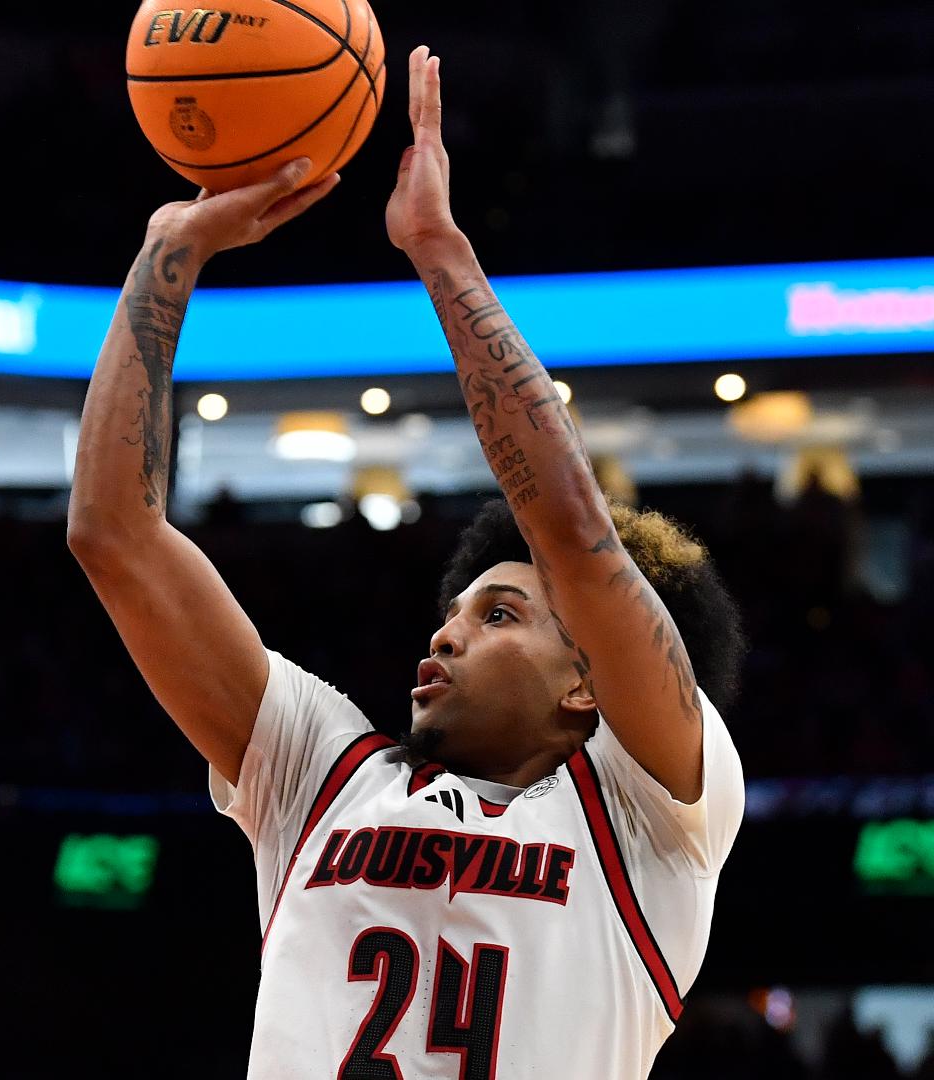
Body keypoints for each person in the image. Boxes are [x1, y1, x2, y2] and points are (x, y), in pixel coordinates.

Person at [67, 47, 747, 1079]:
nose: (447, 631)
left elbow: (573, 534)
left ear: (588, 683)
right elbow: (113, 534)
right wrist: (169, 253)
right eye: (459, 610)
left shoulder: (651, 817)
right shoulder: (323, 775)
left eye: (500, 614)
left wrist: (439, 250)